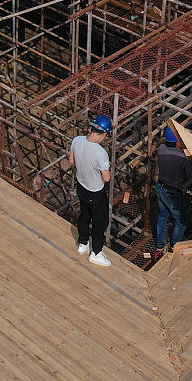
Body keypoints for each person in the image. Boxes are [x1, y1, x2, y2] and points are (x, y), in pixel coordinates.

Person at [67, 114, 113, 267]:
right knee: (100, 222)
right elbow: (106, 178)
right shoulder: (101, 153)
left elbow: (72, 162)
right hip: (96, 190)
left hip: (82, 185)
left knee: (85, 214)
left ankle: (83, 243)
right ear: (104, 134)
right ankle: (97, 253)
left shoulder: (77, 140)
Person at [155, 125, 192, 256]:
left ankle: (160, 245)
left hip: (160, 187)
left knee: (162, 216)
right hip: (172, 192)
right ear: (178, 142)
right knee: (181, 220)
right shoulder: (183, 158)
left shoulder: (161, 150)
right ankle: (175, 246)